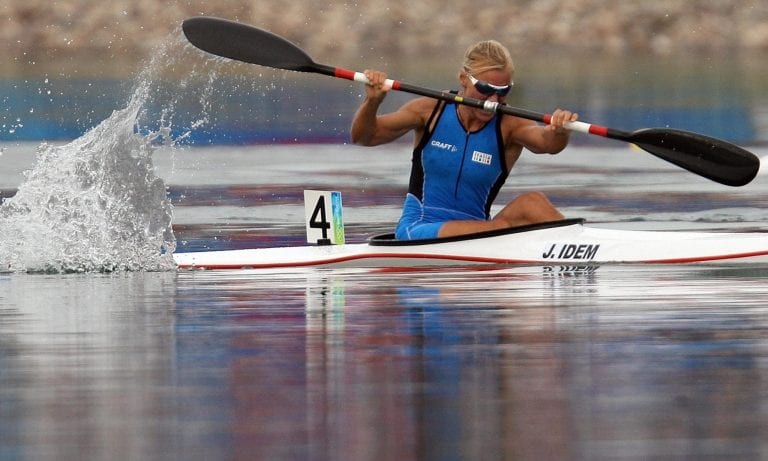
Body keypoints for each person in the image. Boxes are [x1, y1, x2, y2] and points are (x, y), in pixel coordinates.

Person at [350, 39, 578, 240]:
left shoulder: (510, 124)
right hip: (419, 229)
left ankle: (580, 247)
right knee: (499, 230)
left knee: (533, 203)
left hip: (481, 231)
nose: (493, 99)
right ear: (463, 79)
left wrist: (559, 130)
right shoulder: (430, 111)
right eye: (485, 89)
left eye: (503, 91)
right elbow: (363, 137)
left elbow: (548, 143)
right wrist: (373, 102)